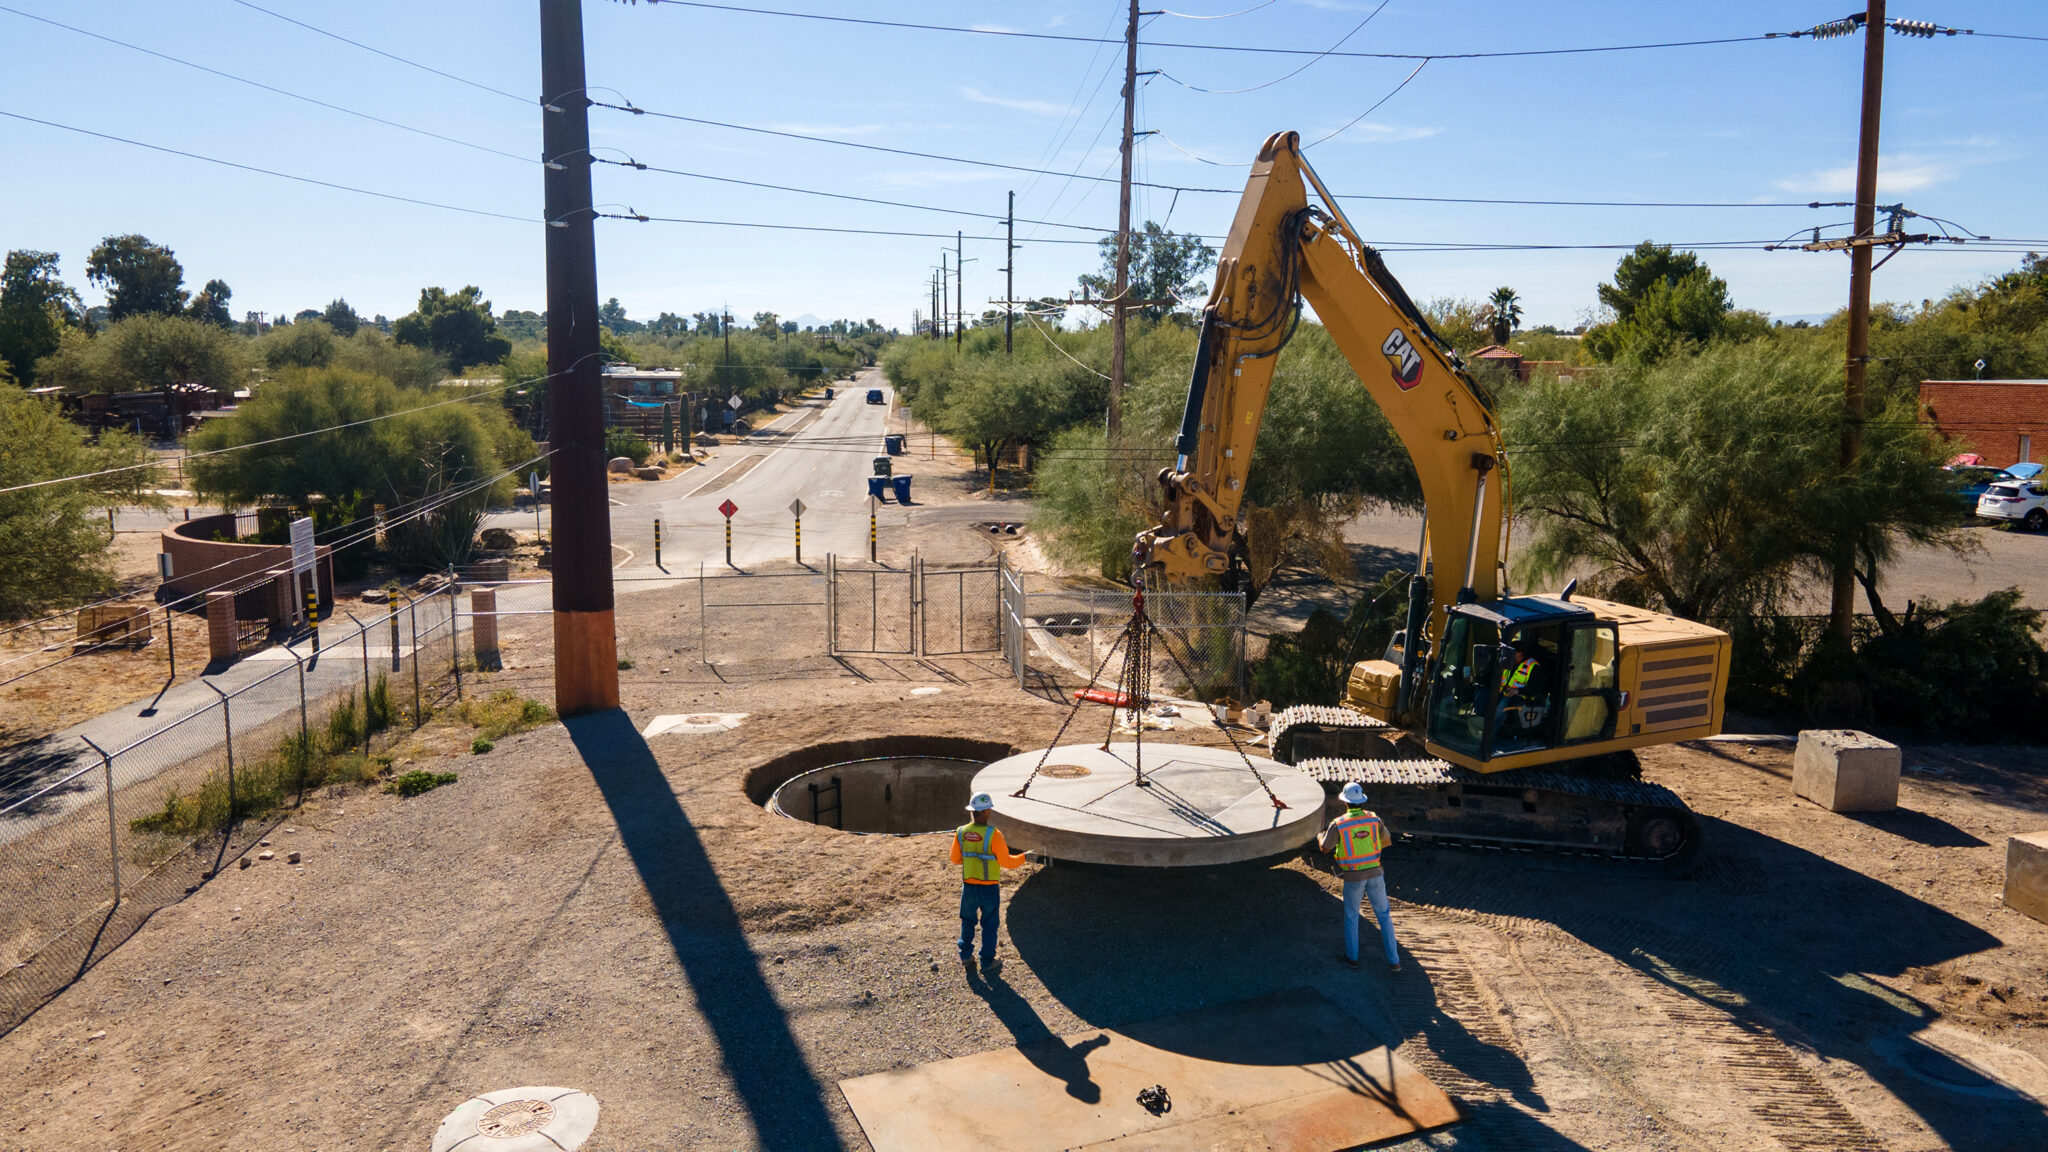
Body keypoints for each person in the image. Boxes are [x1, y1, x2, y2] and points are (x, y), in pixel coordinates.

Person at [1319, 782, 1400, 972]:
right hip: (1376, 873)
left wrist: (1319, 837)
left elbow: (1324, 849)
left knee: (1352, 916)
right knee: (1384, 916)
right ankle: (1395, 961)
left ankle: (1352, 958)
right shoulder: (1374, 819)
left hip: (1353, 877)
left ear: (1345, 803)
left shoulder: (1339, 824)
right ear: (1362, 801)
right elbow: (1387, 840)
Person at [952, 792, 1029, 974]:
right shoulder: (994, 835)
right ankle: (986, 962)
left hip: (969, 887)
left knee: (967, 921)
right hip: (989, 888)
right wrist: (1025, 857)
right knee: (989, 924)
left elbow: (955, 859)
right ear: (987, 811)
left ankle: (965, 956)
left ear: (972, 811)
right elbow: (1007, 862)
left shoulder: (961, 832)